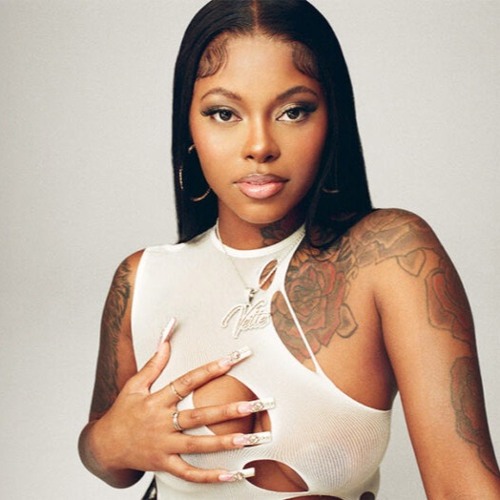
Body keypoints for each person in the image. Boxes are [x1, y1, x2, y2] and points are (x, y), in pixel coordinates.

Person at [78, 0, 500, 498]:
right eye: (224, 113)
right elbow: (114, 465)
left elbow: (461, 486)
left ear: (331, 119)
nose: (260, 145)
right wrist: (106, 443)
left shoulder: (389, 256)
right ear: (189, 127)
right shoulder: (141, 279)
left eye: (293, 111)